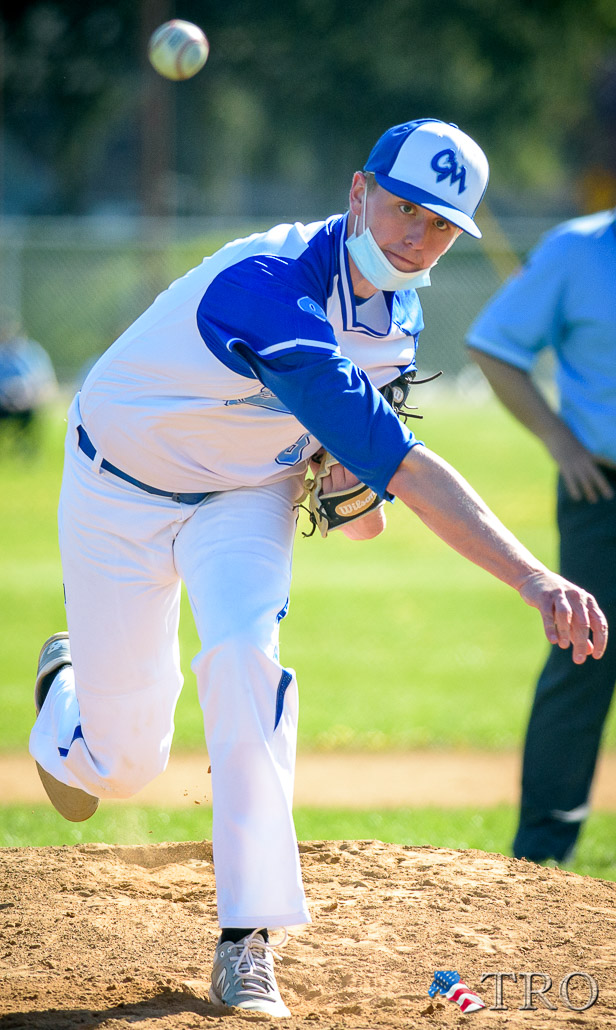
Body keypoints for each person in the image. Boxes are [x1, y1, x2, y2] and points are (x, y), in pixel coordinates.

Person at [29, 119, 607, 1017]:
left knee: (246, 662)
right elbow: (405, 468)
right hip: (120, 486)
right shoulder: (267, 283)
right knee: (124, 764)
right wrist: (535, 577)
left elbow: (364, 520)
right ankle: (66, 694)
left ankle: (247, 938)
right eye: (405, 208)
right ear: (358, 192)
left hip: (242, 497)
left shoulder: (397, 321)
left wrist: (346, 487)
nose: (418, 238)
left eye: (443, 225)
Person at [466, 208, 616, 865]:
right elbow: (493, 346)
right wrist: (559, 440)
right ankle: (541, 860)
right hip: (602, 491)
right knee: (585, 653)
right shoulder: (577, 250)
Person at [0, 308, 57, 451]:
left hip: (28, 403)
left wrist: (30, 394)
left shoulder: (33, 352)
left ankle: (27, 450)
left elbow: (46, 381)